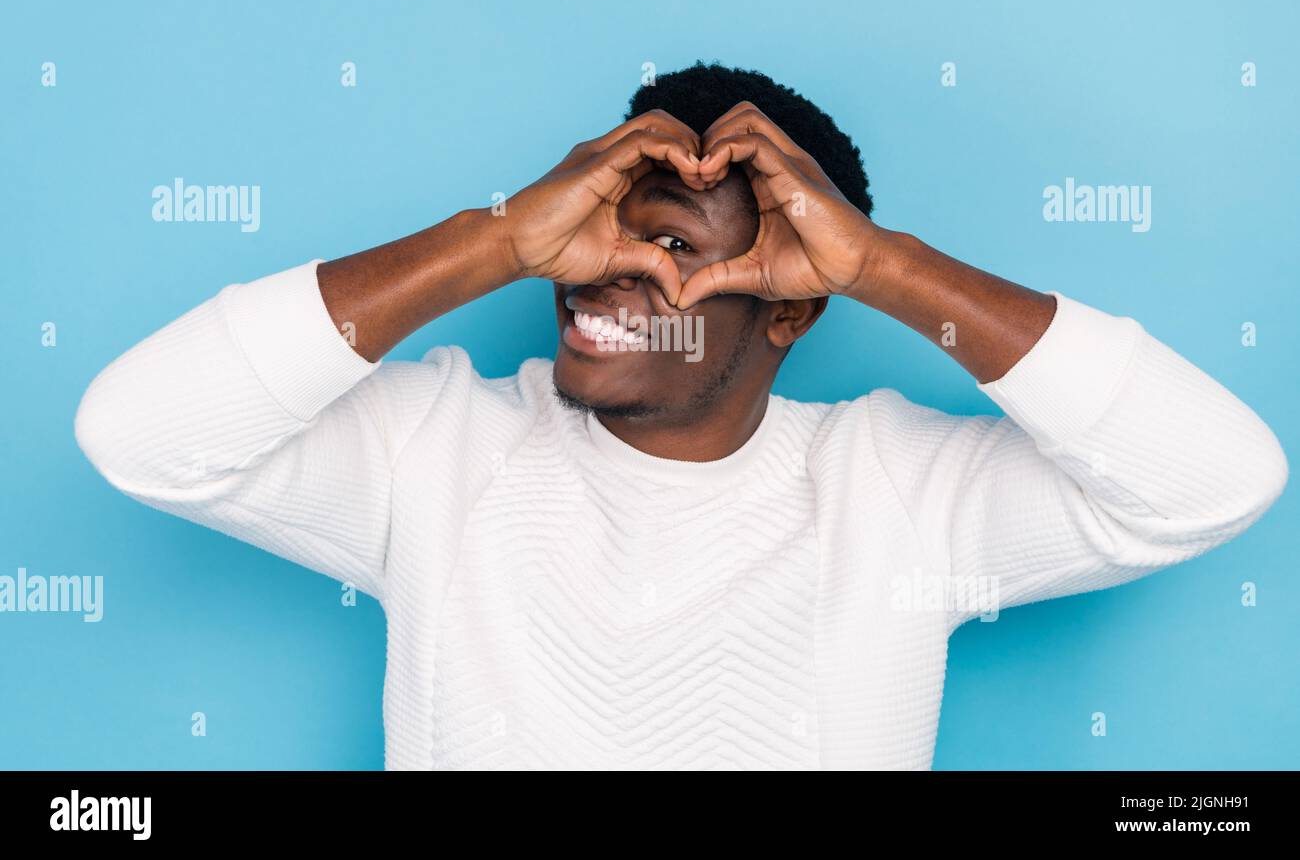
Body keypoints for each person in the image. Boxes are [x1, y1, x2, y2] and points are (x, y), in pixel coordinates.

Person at [74, 62, 1289, 769]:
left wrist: (886, 269)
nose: (606, 271)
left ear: (790, 308)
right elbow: (140, 432)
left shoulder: (900, 491)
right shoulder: (433, 452)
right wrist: (496, 240)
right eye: (600, 229)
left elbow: (1213, 479)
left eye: (668, 246)